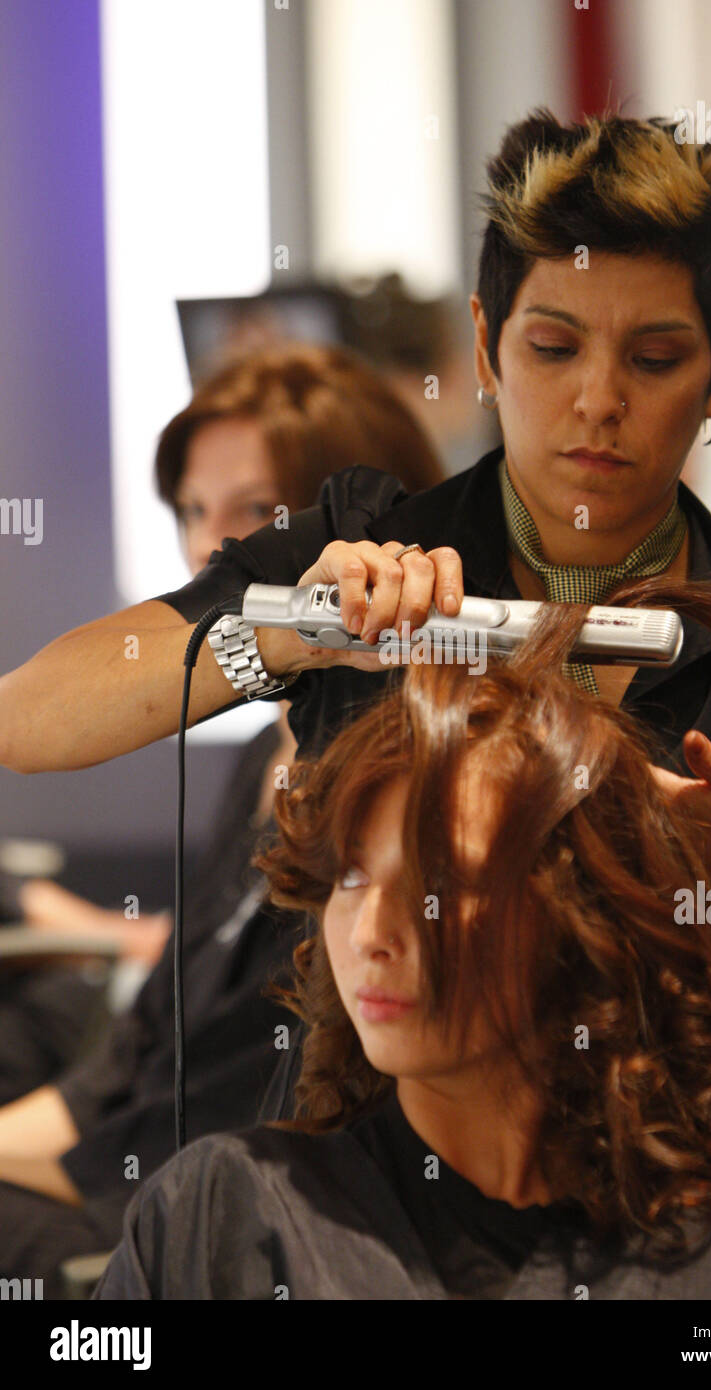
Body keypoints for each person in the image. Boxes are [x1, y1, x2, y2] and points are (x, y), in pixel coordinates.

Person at [1, 109, 711, 1073]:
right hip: (357, 1161)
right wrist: (292, 638)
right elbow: (28, 721)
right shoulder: (362, 542)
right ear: (488, 342)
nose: (599, 400)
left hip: (644, 1165)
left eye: (655, 360)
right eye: (552, 347)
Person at [94, 597, 711, 1300]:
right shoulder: (219, 1216)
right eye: (351, 877)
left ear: (581, 915)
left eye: (441, 884)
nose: (371, 935)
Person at [0, 341, 444, 1296]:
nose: (211, 552)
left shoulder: (395, 784)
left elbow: (216, 1107)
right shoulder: (260, 754)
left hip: (232, 1214)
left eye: (252, 516)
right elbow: (129, 1069)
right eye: (193, 514)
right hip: (134, 1170)